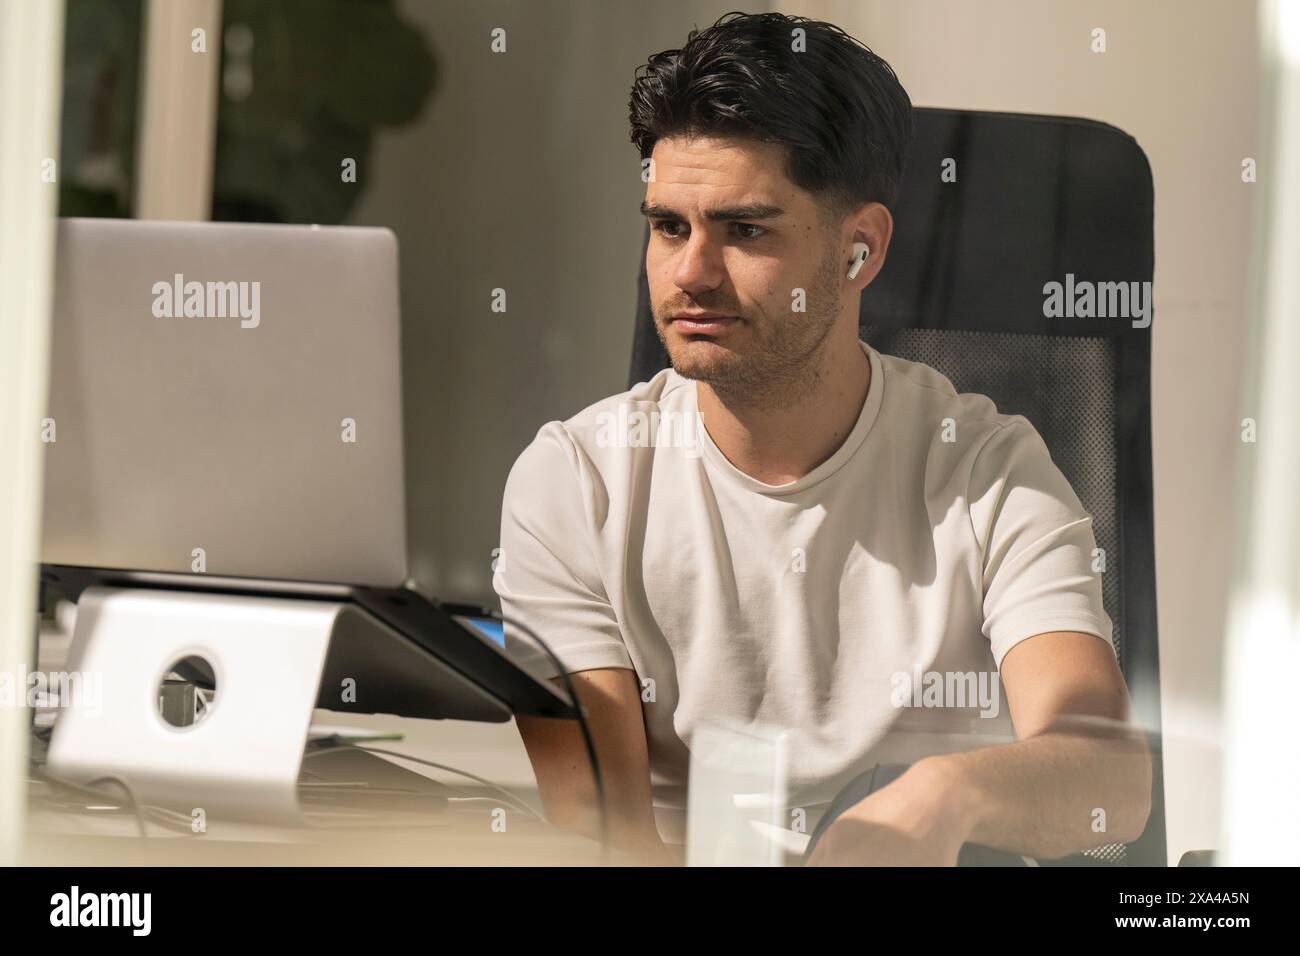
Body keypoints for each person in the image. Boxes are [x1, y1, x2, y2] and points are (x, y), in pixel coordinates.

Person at [495, 11, 1151, 866]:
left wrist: (941, 793)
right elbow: (604, 836)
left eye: (745, 230)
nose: (690, 271)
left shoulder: (990, 472)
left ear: (859, 249)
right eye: (668, 227)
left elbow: (1112, 781)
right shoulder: (576, 483)